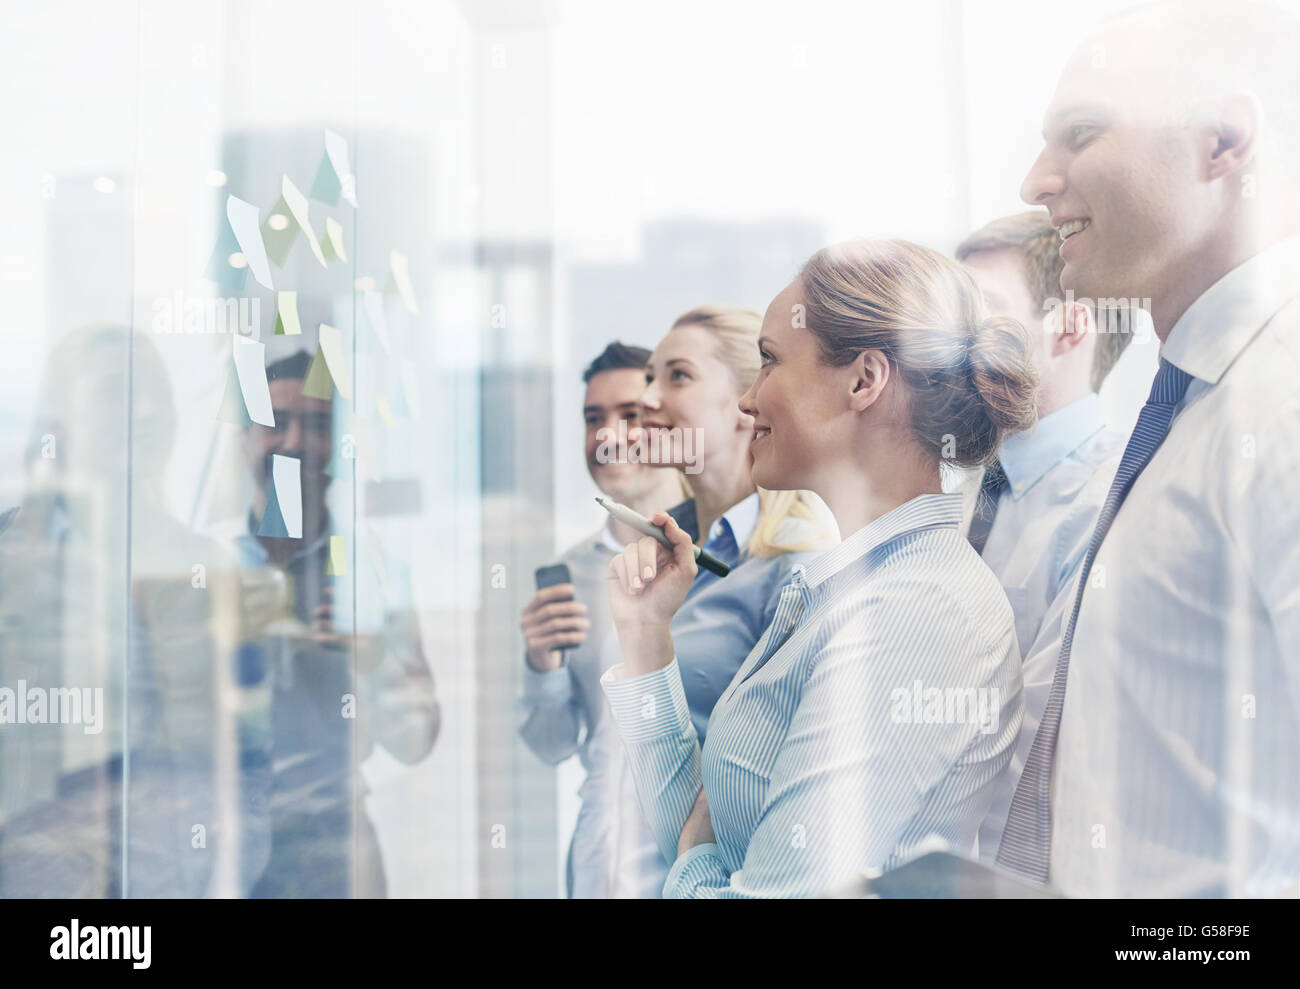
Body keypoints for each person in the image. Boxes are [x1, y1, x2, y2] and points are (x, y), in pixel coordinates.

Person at [601, 240, 1037, 897]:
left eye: (769, 361)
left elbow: (708, 857)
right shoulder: (843, 590)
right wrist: (645, 638)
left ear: (864, 380)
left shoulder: (914, 610)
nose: (749, 400)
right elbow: (694, 830)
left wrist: (695, 864)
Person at [997, 0, 1300, 896]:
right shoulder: (1190, 404)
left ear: (1223, 142)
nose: (1035, 182)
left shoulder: (1280, 399)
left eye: (1079, 134)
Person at [528, 308, 835, 898]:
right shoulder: (660, 559)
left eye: (677, 377)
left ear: (749, 399)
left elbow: (781, 796)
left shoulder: (796, 568)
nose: (647, 400)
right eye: (651, 377)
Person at [223, 348, 440, 898]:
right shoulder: (205, 569)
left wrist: (375, 659)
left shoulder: (376, 573)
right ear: (244, 441)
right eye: (276, 424)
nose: (295, 442)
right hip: (219, 848)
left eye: (317, 426)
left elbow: (415, 741)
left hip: (334, 855)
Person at [953, 211, 1130, 863]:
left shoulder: (1109, 504)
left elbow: (1031, 754)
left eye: (981, 315)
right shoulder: (959, 489)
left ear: (1070, 327)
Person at [517, 342, 689, 898]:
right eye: (594, 418)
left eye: (630, 416)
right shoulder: (567, 573)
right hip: (595, 869)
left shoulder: (724, 557)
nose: (606, 435)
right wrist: (540, 665)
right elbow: (551, 746)